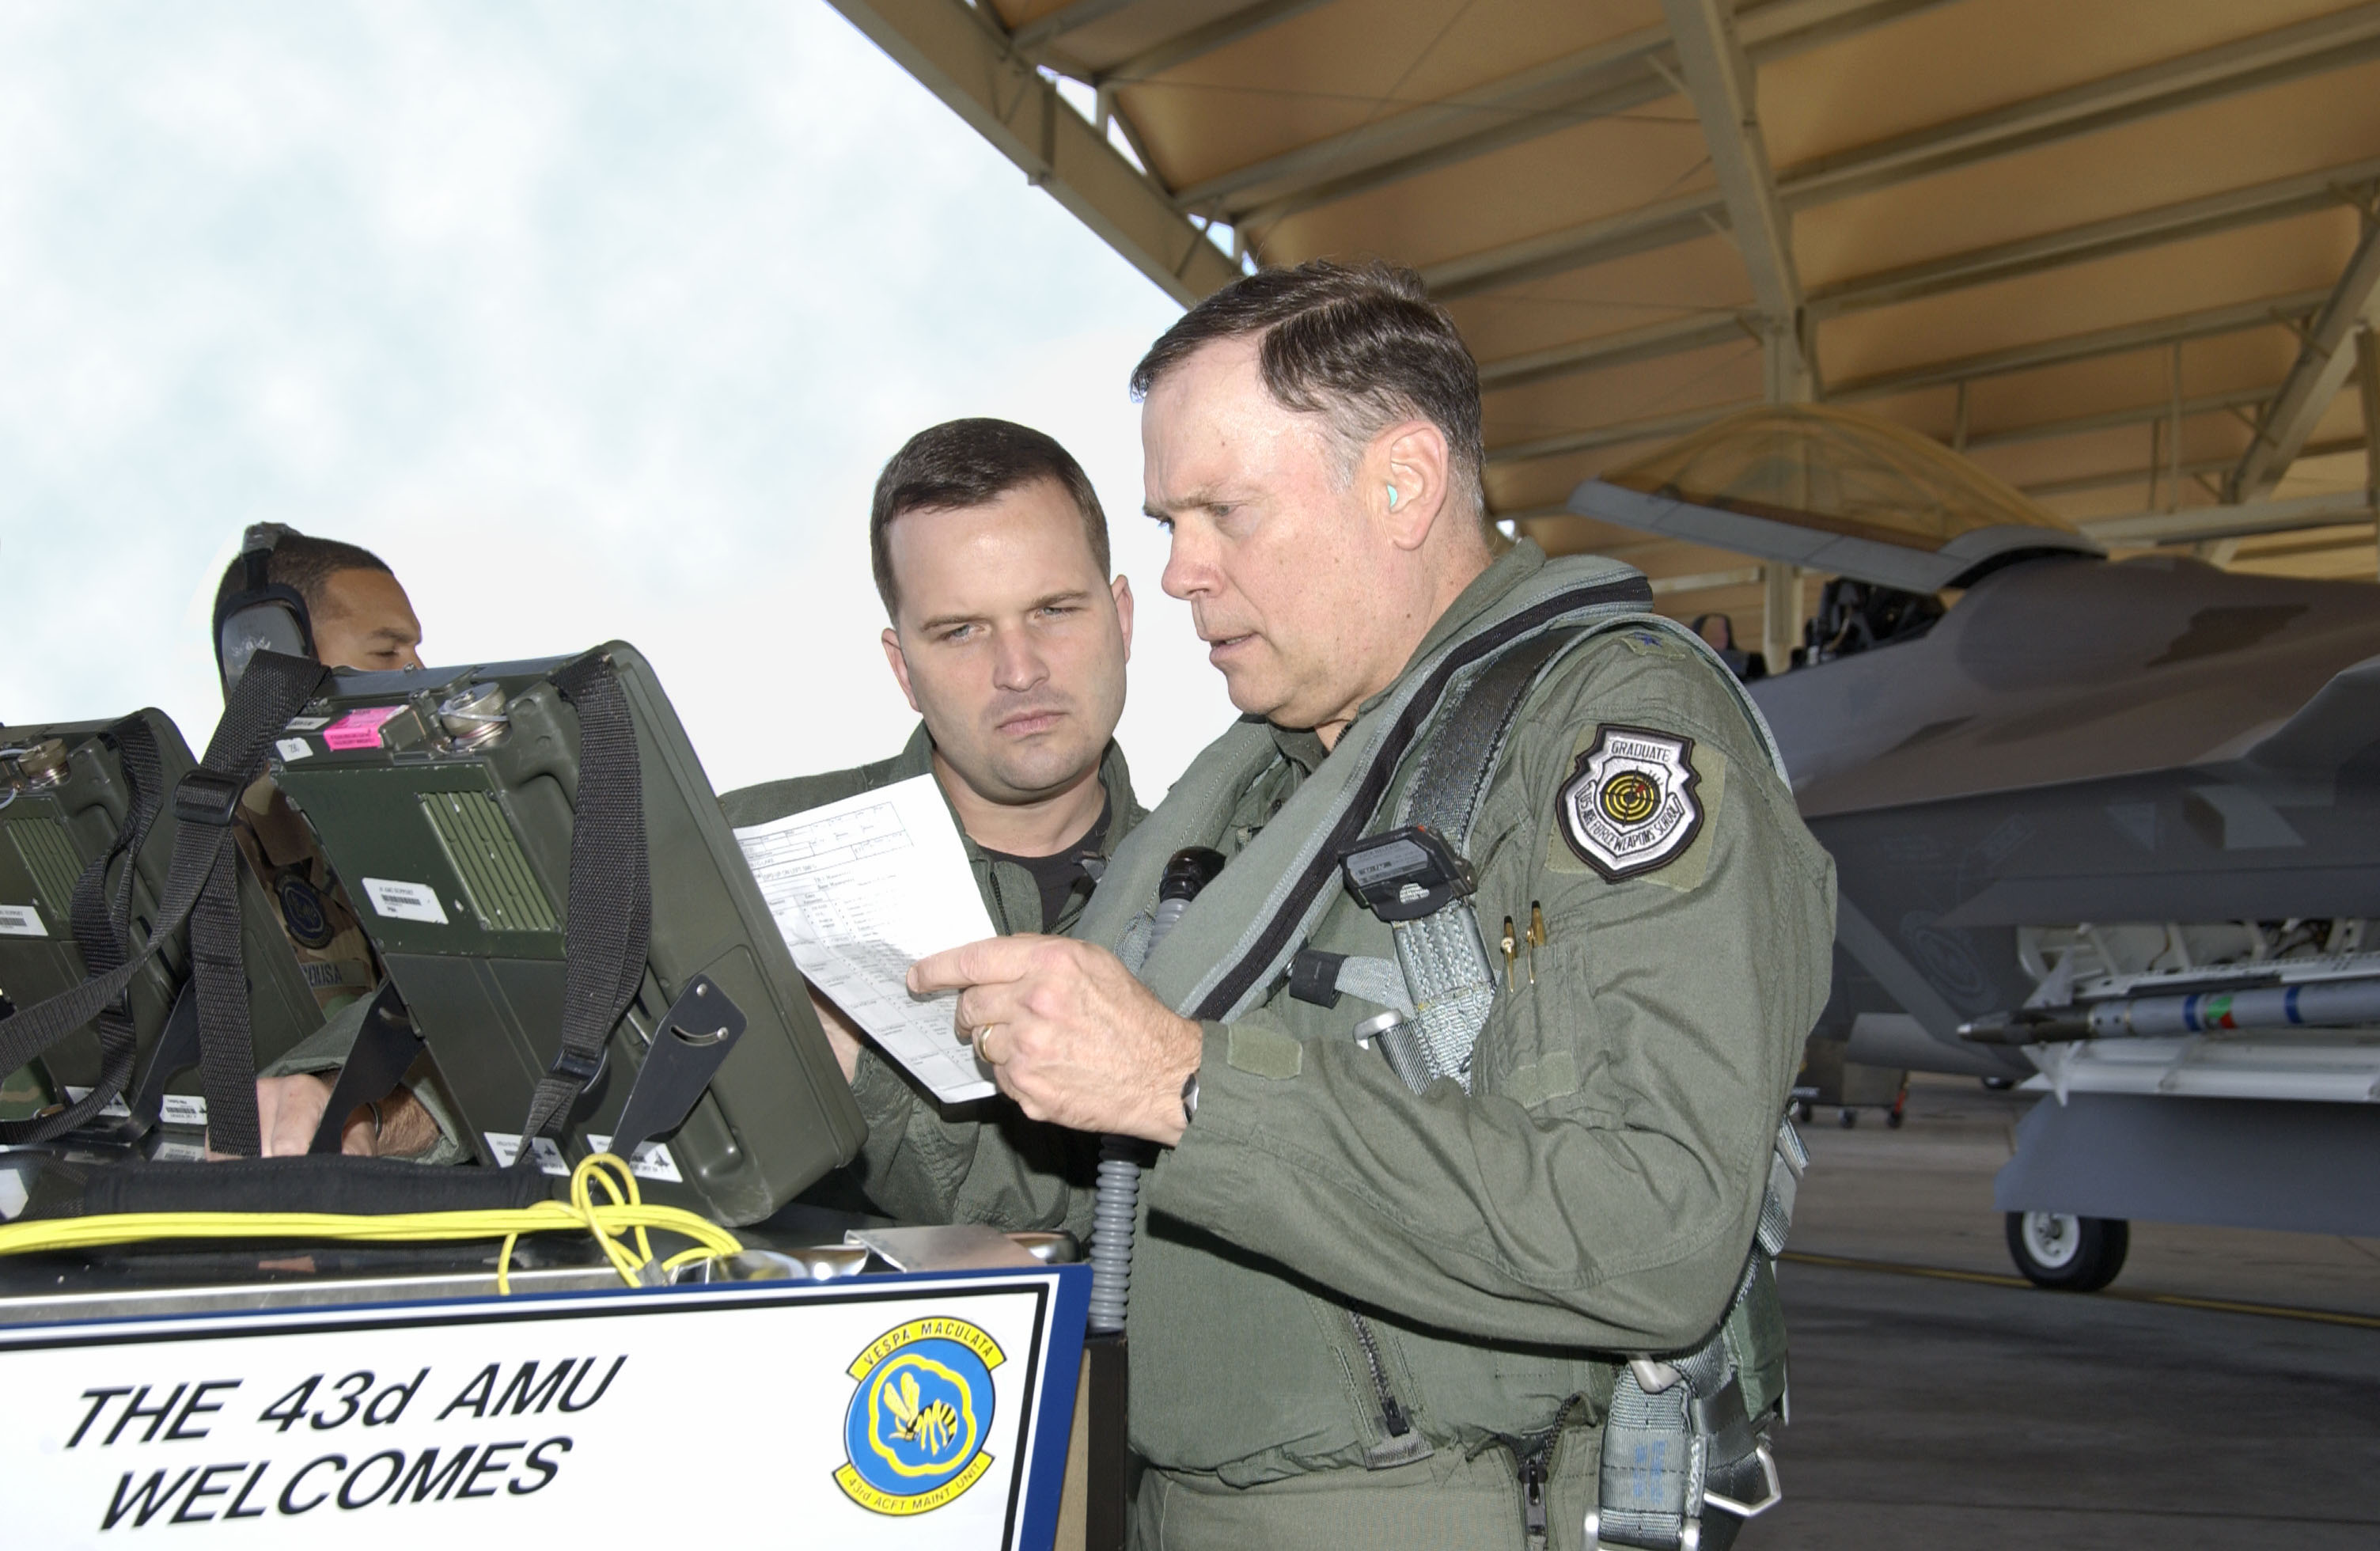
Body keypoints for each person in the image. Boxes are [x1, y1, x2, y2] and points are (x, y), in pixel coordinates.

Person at [877, 263, 1835, 1548]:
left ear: (1401, 483)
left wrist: (1192, 1084)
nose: (1177, 575)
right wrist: (855, 1052)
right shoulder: (1254, 795)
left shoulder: (1603, 743)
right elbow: (1058, 1200)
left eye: (1223, 513)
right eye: (1168, 523)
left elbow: (1655, 1236)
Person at [718, 418, 1145, 1215]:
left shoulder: (1235, 881)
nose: (1018, 670)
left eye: (1053, 609)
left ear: (1121, 619)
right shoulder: (736, 858)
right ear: (901, 667)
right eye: (960, 631)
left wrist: (847, 1056)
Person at [209, 530, 457, 1161]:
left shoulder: (424, 833)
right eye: (387, 651)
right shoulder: (197, 859)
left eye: (415, 651)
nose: (418, 676)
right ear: (271, 658)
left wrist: (373, 1115)